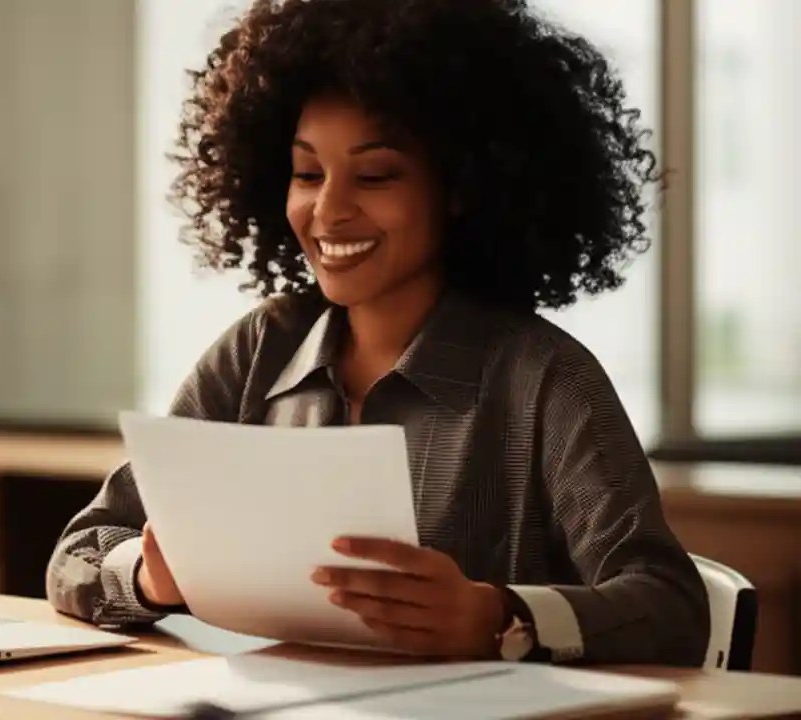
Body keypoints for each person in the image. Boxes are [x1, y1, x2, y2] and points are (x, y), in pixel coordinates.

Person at [46, 0, 709, 665]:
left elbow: (671, 604)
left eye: (375, 175)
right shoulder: (257, 352)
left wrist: (501, 617)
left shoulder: (543, 379)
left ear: (459, 188)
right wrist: (148, 576)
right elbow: (79, 553)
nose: (328, 210)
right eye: (307, 174)